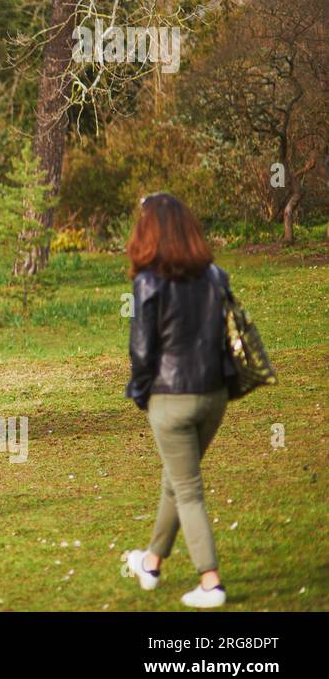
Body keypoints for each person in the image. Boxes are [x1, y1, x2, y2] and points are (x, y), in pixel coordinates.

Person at [122, 193, 235, 608]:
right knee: (178, 479)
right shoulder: (216, 276)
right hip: (214, 395)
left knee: (187, 490)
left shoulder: (147, 282)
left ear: (147, 233)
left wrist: (140, 393)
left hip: (171, 398)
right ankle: (150, 563)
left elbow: (140, 351)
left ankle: (211, 582)